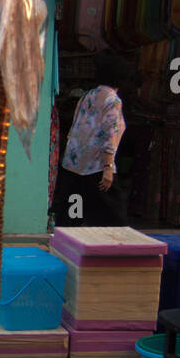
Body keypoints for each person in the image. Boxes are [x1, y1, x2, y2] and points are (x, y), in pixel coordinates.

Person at [54, 51, 129, 227]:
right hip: (95, 168)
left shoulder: (88, 96)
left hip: (74, 165)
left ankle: (65, 251)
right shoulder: (113, 101)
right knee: (114, 220)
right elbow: (110, 134)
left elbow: (76, 127)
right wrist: (108, 168)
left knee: (72, 218)